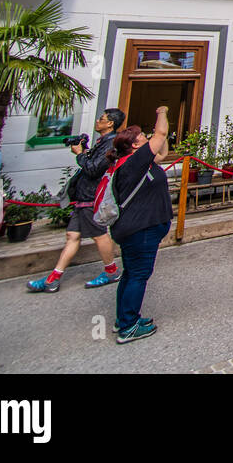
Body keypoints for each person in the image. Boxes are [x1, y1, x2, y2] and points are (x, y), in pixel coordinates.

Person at [26, 108, 125, 294]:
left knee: (99, 234)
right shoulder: (102, 142)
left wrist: (80, 154)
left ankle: (111, 270)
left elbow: (94, 169)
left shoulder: (111, 143)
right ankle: (54, 277)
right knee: (72, 236)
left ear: (110, 123)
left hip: (92, 196)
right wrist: (85, 151)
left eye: (101, 119)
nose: (97, 121)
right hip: (83, 195)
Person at [107, 106, 173, 343]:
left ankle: (124, 317)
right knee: (138, 275)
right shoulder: (133, 163)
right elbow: (161, 136)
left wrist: (162, 135)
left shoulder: (137, 162)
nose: (146, 139)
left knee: (131, 273)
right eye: (142, 138)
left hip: (136, 228)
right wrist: (162, 113)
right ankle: (129, 326)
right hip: (140, 228)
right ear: (134, 145)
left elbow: (162, 152)